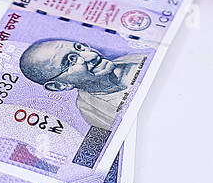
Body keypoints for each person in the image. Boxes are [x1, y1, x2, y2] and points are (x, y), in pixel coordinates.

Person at [19, 40, 149, 130]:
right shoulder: (93, 113)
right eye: (71, 61)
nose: (92, 55)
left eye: (80, 48)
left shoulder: (138, 57)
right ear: (59, 85)